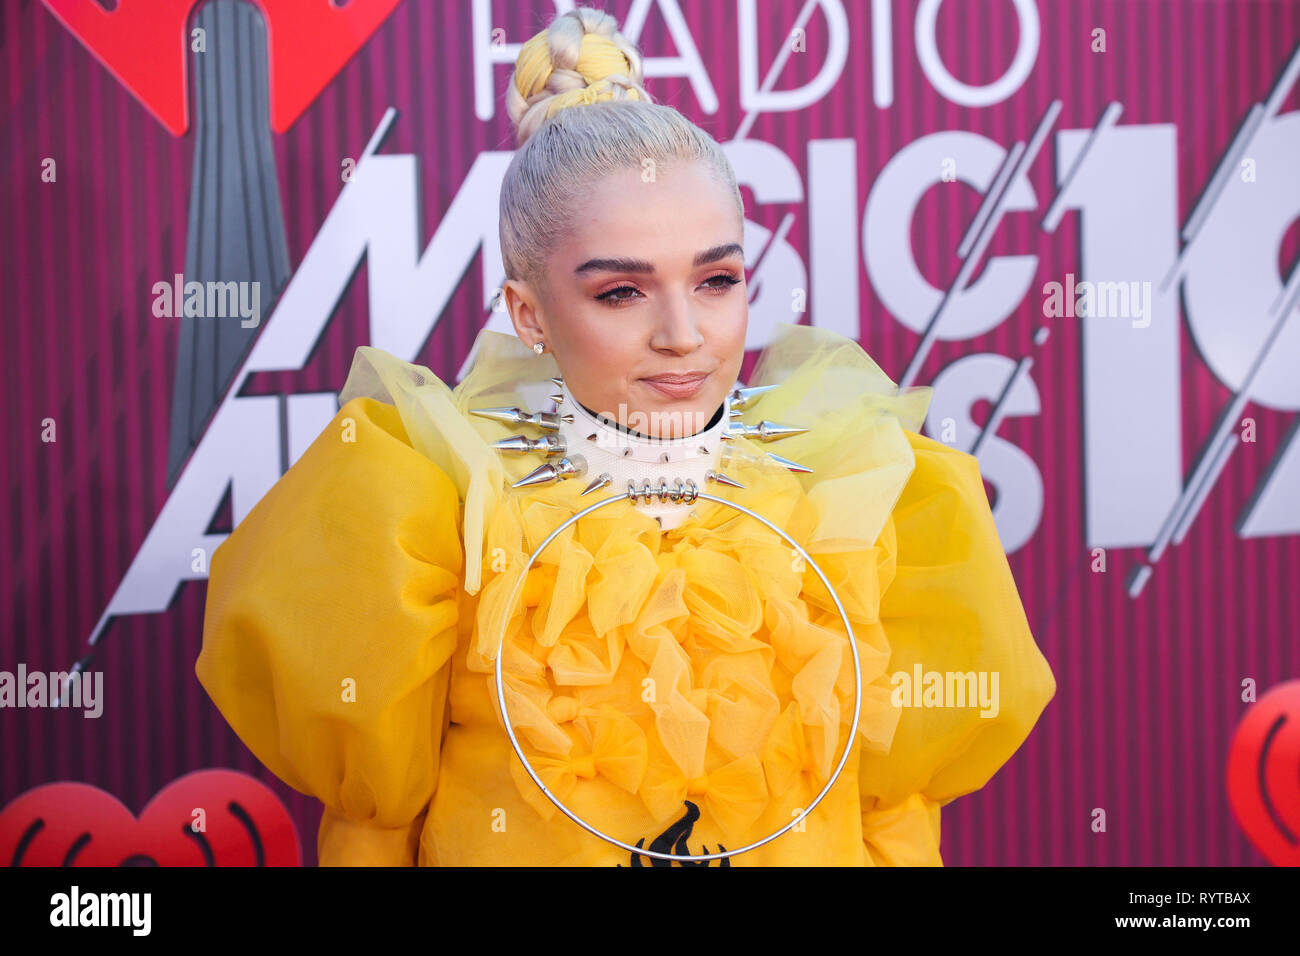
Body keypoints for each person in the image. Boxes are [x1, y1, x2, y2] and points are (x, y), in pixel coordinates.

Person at [196, 5, 1055, 867]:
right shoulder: (429, 515)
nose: (683, 333)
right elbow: (372, 835)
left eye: (717, 280)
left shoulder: (857, 499)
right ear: (527, 312)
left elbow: (891, 826)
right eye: (621, 293)